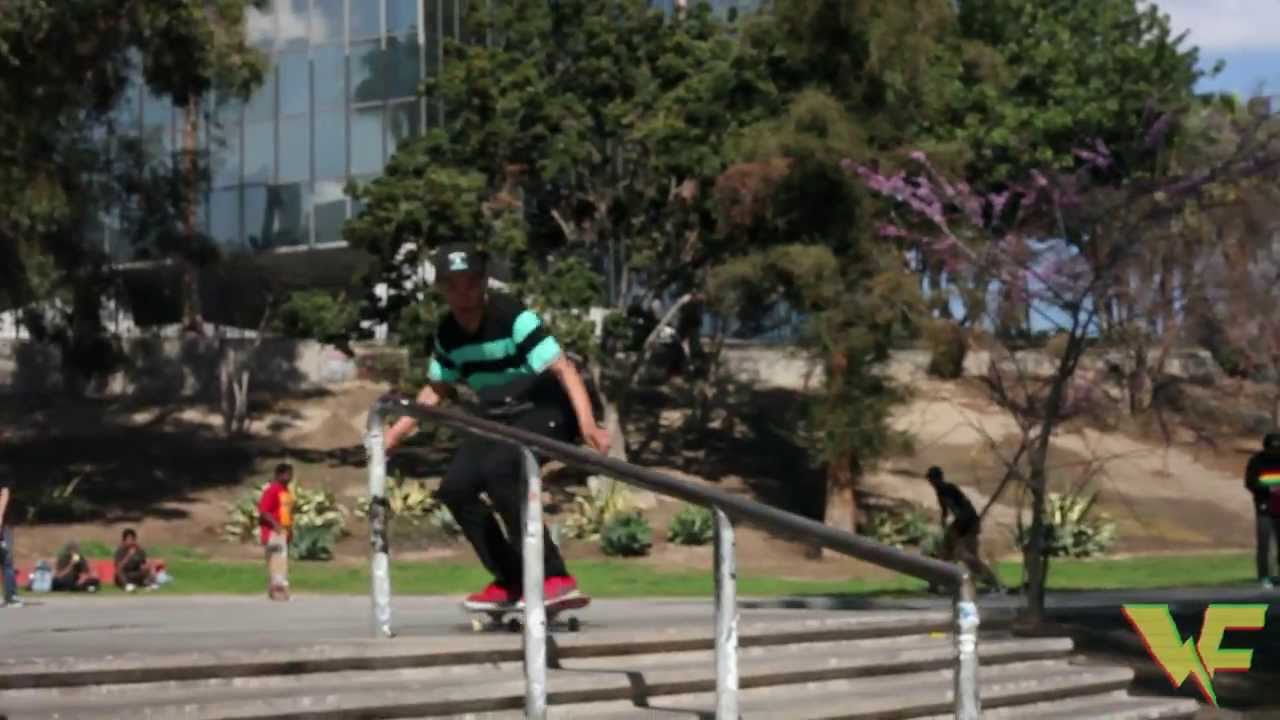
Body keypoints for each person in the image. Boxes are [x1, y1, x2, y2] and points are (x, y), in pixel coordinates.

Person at [384, 243, 611, 610]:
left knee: (501, 469)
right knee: (456, 489)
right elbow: (437, 388)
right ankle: (511, 579)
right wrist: (394, 434)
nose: (463, 294)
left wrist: (588, 426)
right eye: (453, 285)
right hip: (498, 417)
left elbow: (564, 369)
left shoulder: (513, 316)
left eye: (471, 283)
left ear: (484, 282)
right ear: (441, 288)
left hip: (545, 408)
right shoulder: (447, 333)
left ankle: (554, 578)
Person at [926, 466, 1004, 593]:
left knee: (966, 556)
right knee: (944, 553)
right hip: (959, 524)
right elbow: (945, 510)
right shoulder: (940, 492)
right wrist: (944, 523)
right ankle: (936, 584)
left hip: (968, 524)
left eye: (932, 480)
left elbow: (964, 507)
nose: (931, 483)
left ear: (937, 479)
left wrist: (960, 530)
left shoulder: (949, 489)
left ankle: (993, 582)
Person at [1244, 433, 1280, 589]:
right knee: (1264, 544)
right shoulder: (1257, 461)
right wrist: (1268, 489)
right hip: (1265, 507)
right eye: (1272, 449)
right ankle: (1264, 576)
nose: (1274, 452)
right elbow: (1250, 482)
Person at [258, 463, 295, 601]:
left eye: (291, 474)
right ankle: (278, 591)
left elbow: (286, 512)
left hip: (283, 531)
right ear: (279, 475)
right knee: (277, 560)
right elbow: (264, 511)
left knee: (280, 561)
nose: (290, 477)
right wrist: (276, 526)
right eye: (287, 474)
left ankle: (275, 589)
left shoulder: (286, 491)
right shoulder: (272, 490)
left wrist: (289, 530)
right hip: (273, 532)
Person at [0, 483, 21, 607]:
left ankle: (11, 596)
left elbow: (5, 494)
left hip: (5, 527)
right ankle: (11, 597)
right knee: (7, 562)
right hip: (4, 527)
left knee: (6, 561)